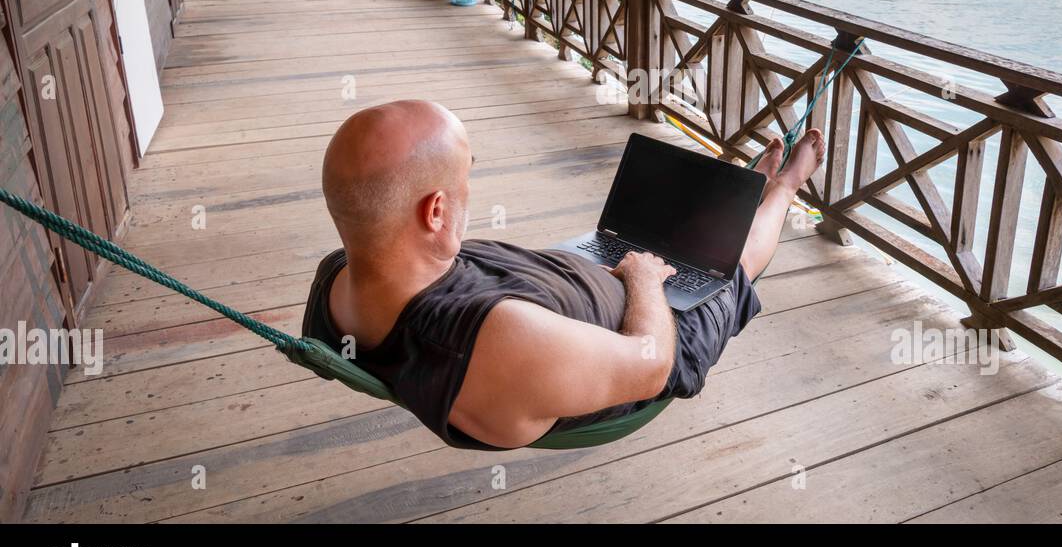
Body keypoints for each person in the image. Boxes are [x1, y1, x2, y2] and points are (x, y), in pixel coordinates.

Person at [302, 100, 825, 449]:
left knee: (659, 238)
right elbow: (650, 365)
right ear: (435, 213)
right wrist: (644, 282)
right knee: (726, 271)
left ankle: (739, 203)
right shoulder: (490, 340)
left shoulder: (339, 274)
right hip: (649, 329)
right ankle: (782, 190)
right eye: (466, 177)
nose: (470, 188)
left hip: (565, 282)